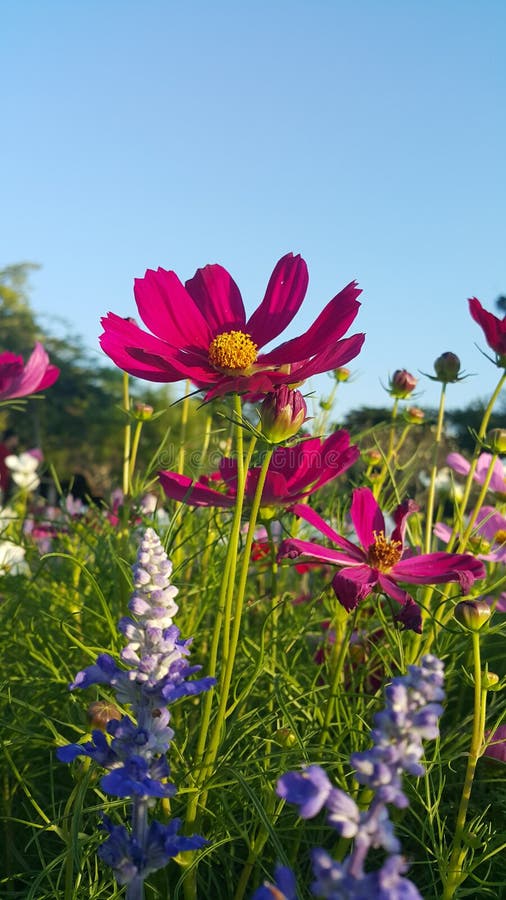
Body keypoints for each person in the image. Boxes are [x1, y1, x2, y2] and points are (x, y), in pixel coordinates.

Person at [0, 429, 19, 499]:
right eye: (16, 438)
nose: (17, 441)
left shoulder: (9, 453)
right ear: (11, 438)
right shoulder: (2, 449)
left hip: (3, 485)